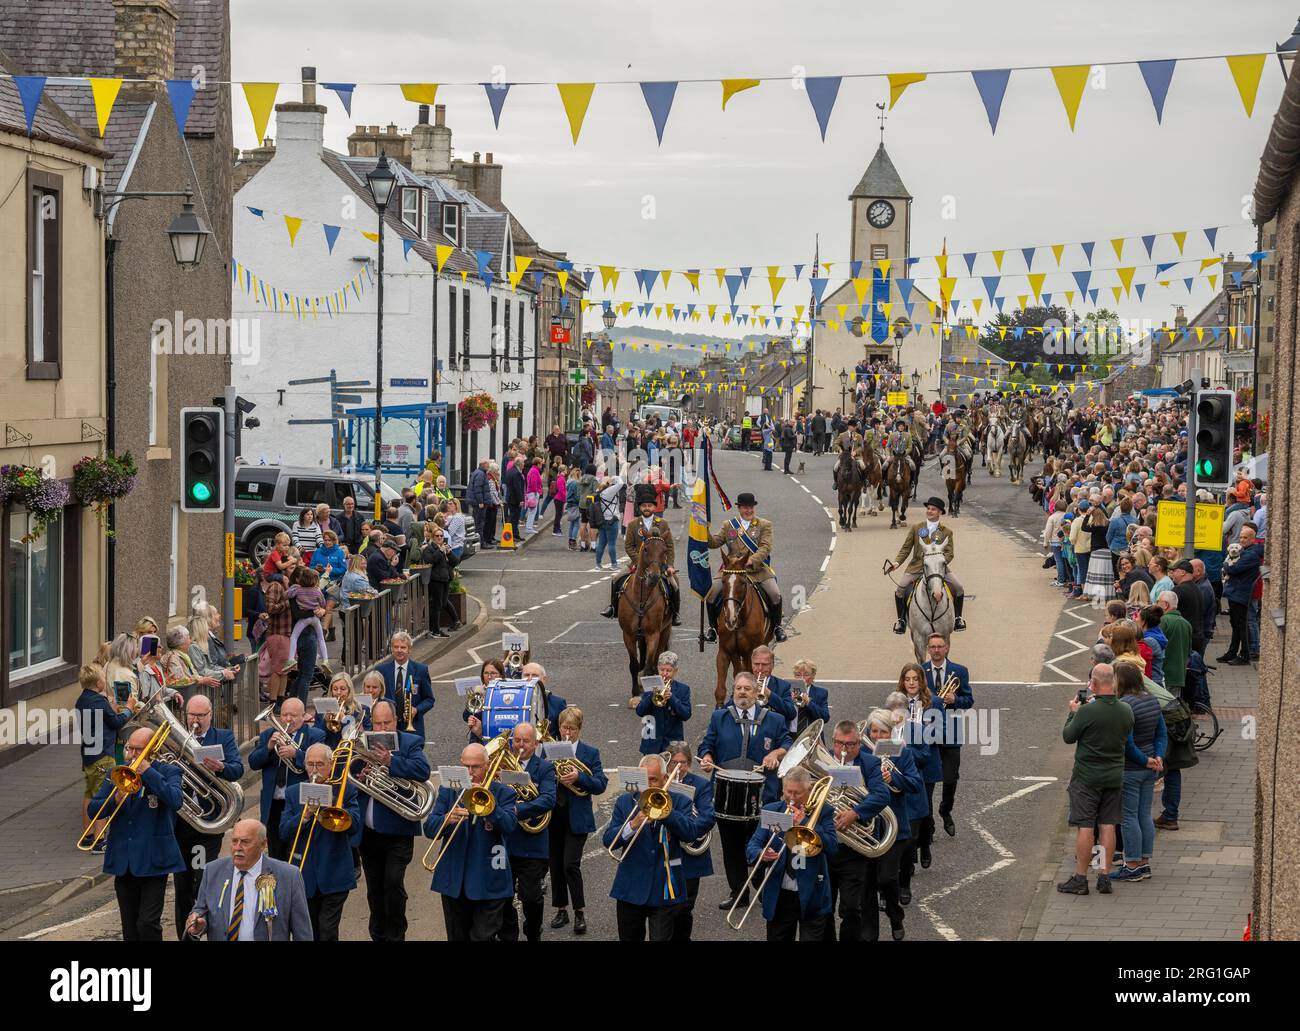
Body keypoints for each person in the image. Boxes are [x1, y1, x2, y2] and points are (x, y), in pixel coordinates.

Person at [698, 672, 792, 909]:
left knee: (761, 841)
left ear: (755, 692)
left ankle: (762, 887)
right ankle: (738, 892)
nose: (741, 692)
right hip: (726, 793)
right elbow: (706, 743)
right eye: (738, 688)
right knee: (731, 846)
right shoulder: (720, 717)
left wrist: (776, 753)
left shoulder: (774, 719)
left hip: (763, 794)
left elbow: (788, 743)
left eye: (747, 689)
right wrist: (707, 756)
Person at [87, 725, 186, 941]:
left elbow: (175, 800)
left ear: (152, 752)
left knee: (148, 923)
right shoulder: (117, 773)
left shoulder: (168, 771)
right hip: (124, 862)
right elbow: (93, 809)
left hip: (154, 862)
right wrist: (114, 800)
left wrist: (147, 772)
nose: (131, 754)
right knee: (130, 928)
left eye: (137, 750)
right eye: (129, 748)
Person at [603, 753, 707, 941]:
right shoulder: (626, 802)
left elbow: (690, 833)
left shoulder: (680, 801)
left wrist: (665, 812)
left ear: (665, 779)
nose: (650, 785)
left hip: (664, 889)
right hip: (630, 889)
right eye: (645, 779)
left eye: (654, 780)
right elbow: (609, 840)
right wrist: (632, 825)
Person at [423, 742, 519, 942]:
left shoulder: (503, 793)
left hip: (490, 880)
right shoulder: (449, 791)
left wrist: (490, 807)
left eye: (475, 767)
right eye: (466, 766)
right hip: (453, 880)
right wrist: (447, 819)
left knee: (482, 938)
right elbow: (430, 829)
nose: (470, 772)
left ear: (487, 765)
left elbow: (510, 825)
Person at [355, 700, 431, 940]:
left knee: (393, 884)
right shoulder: (361, 743)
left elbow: (423, 770)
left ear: (395, 721)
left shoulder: (410, 742)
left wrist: (390, 762)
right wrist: (362, 774)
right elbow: (346, 778)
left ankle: (396, 935)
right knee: (375, 890)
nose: (381, 728)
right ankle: (377, 935)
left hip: (398, 832)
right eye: (377, 723)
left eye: (386, 722)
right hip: (368, 834)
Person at [171, 694, 244, 939]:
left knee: (202, 881)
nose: (196, 720)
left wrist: (221, 767)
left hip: (208, 824)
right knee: (182, 885)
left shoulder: (222, 737)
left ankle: (207, 930)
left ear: (210, 715)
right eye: (192, 714)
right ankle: (186, 935)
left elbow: (238, 769)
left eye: (201, 715)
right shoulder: (178, 738)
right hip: (181, 823)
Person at [1056, 664, 1133, 896]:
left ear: (1095, 684)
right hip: (1114, 776)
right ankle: (1104, 876)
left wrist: (1073, 712)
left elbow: (1068, 736)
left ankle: (1081, 878)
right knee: (1107, 825)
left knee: (1085, 827)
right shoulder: (1126, 710)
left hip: (1087, 777)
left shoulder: (1087, 711)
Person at [744, 767, 838, 941]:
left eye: (798, 793)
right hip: (780, 895)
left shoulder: (824, 811)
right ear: (783, 788)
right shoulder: (773, 810)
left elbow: (832, 847)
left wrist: (805, 822)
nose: (792, 798)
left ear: (808, 792)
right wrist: (761, 853)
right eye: (789, 792)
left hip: (812, 894)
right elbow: (753, 844)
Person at [279, 742, 361, 941]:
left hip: (335, 874)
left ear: (331, 765)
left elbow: (355, 826)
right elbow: (284, 831)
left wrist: (332, 806)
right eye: (310, 764)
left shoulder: (345, 790)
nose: (314, 770)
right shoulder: (293, 792)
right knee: (308, 932)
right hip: (304, 874)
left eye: (319, 765)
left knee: (327, 930)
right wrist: (305, 815)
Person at [817, 719, 887, 942]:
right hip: (826, 845)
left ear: (859, 743)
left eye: (850, 745)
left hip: (853, 851)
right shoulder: (821, 760)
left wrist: (854, 813)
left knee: (850, 908)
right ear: (833, 742)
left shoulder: (870, 763)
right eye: (839, 744)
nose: (844, 750)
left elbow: (881, 795)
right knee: (824, 906)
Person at [185, 819, 313, 940]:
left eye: (245, 842)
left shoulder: (288, 876)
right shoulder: (212, 871)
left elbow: (302, 931)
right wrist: (198, 923)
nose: (238, 848)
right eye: (234, 841)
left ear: (263, 845)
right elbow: (201, 909)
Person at [857, 711, 921, 941]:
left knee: (886, 878)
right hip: (867, 827)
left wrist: (893, 779)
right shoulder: (862, 752)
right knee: (866, 883)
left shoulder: (902, 752)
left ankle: (896, 916)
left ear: (891, 732)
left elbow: (915, 783)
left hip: (894, 826)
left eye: (883, 731)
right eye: (874, 731)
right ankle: (869, 933)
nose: (877, 736)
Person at [547, 707, 607, 934]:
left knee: (570, 864)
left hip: (577, 818)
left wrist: (579, 777)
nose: (567, 733)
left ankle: (579, 912)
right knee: (555, 865)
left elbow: (600, 783)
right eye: (564, 727)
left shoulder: (590, 753)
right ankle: (561, 909)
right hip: (554, 816)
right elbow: (540, 778)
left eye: (572, 729)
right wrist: (553, 776)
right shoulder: (550, 750)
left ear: (579, 729)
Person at [498, 723, 558, 942]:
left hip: (533, 844)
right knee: (502, 897)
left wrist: (517, 810)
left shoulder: (544, 768)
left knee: (531, 898)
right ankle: (509, 934)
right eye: (517, 740)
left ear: (536, 743)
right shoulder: (501, 765)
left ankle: (533, 931)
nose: (520, 745)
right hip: (506, 841)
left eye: (526, 741)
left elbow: (548, 799)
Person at [702, 492, 787, 642]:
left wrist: (751, 560)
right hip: (732, 571)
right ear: (739, 508)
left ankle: (777, 627)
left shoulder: (764, 525)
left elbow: (765, 548)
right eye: (745, 508)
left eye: (751, 507)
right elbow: (714, 542)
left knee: (775, 594)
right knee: (711, 594)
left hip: (756, 570)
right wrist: (704, 529)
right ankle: (712, 628)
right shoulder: (729, 525)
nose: (748, 511)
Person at [248, 697, 325, 860]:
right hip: (273, 804)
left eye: (293, 715)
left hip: (298, 803)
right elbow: (253, 762)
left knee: (297, 852)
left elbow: (323, 766)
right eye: (284, 715)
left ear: (304, 716)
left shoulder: (315, 735)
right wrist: (268, 748)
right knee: (276, 852)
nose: (288, 719)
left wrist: (296, 754)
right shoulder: (269, 734)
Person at [1111, 664, 1166, 883]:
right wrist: (1158, 757)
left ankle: (1131, 864)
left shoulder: (1124, 705)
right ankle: (1144, 863)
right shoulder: (1152, 700)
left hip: (1132, 769)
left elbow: (1127, 742)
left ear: (1121, 681)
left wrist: (1144, 760)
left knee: (1128, 817)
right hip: (1151, 768)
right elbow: (1162, 733)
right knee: (1144, 814)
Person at [76, 663, 138, 850]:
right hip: (103, 755)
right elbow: (117, 722)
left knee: (90, 793)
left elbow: (99, 719)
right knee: (104, 795)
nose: (105, 680)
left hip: (88, 755)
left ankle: (88, 834)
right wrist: (128, 708)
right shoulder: (100, 702)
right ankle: (100, 840)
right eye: (103, 677)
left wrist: (108, 707)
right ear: (98, 683)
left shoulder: (82, 700)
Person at [602, 484, 680, 626]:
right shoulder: (632, 524)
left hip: (658, 565)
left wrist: (669, 565)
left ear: (655, 507)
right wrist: (639, 562)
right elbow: (629, 546)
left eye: (650, 505)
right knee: (615, 579)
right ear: (639, 507)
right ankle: (613, 608)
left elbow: (669, 547)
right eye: (644, 506)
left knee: (674, 584)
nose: (647, 508)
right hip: (636, 564)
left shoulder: (662, 524)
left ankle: (675, 614)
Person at [886, 496, 966, 633]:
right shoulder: (917, 528)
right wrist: (896, 563)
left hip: (939, 568)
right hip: (917, 567)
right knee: (900, 590)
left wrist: (939, 563)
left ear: (940, 512)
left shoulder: (947, 532)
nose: (929, 511)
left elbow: (949, 553)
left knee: (959, 588)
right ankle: (901, 620)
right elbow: (906, 548)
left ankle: (958, 618)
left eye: (933, 509)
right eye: (928, 509)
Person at [922, 633, 972, 837]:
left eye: (939, 646)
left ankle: (945, 810)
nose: (936, 650)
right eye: (932, 646)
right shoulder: (921, 672)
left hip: (951, 731)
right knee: (928, 781)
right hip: (927, 733)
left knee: (951, 778)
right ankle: (930, 822)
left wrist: (955, 700)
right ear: (928, 649)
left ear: (947, 648)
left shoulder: (959, 671)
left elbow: (969, 700)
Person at [666, 742, 716, 940]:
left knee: (685, 906)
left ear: (689, 763)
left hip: (690, 853)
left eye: (684, 763)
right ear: (667, 764)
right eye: (674, 763)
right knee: (666, 906)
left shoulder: (701, 785)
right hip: (666, 850)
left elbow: (708, 816)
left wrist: (690, 829)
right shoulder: (662, 782)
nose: (679, 767)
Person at [376, 631, 435, 742]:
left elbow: (429, 699)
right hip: (387, 728)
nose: (399, 650)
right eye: (396, 647)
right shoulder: (381, 670)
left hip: (413, 729)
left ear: (409, 650)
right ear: (392, 649)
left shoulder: (421, 670)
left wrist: (416, 710)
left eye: (403, 647)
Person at [1219, 524, 1263, 666]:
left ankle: (1244, 655)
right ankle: (1233, 652)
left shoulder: (1251, 554)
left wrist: (1226, 565)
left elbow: (1233, 569)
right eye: (1241, 537)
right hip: (1236, 593)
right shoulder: (1246, 552)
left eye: (1245, 537)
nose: (1242, 540)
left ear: (1252, 538)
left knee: (1241, 625)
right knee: (1236, 624)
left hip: (1241, 594)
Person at [631, 651, 692, 753]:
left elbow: (686, 715)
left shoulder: (683, 689)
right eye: (662, 670)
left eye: (669, 670)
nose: (664, 674)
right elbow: (640, 711)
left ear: (675, 671)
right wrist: (651, 695)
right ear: (657, 668)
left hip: (673, 745)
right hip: (651, 744)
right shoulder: (650, 686)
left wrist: (672, 698)